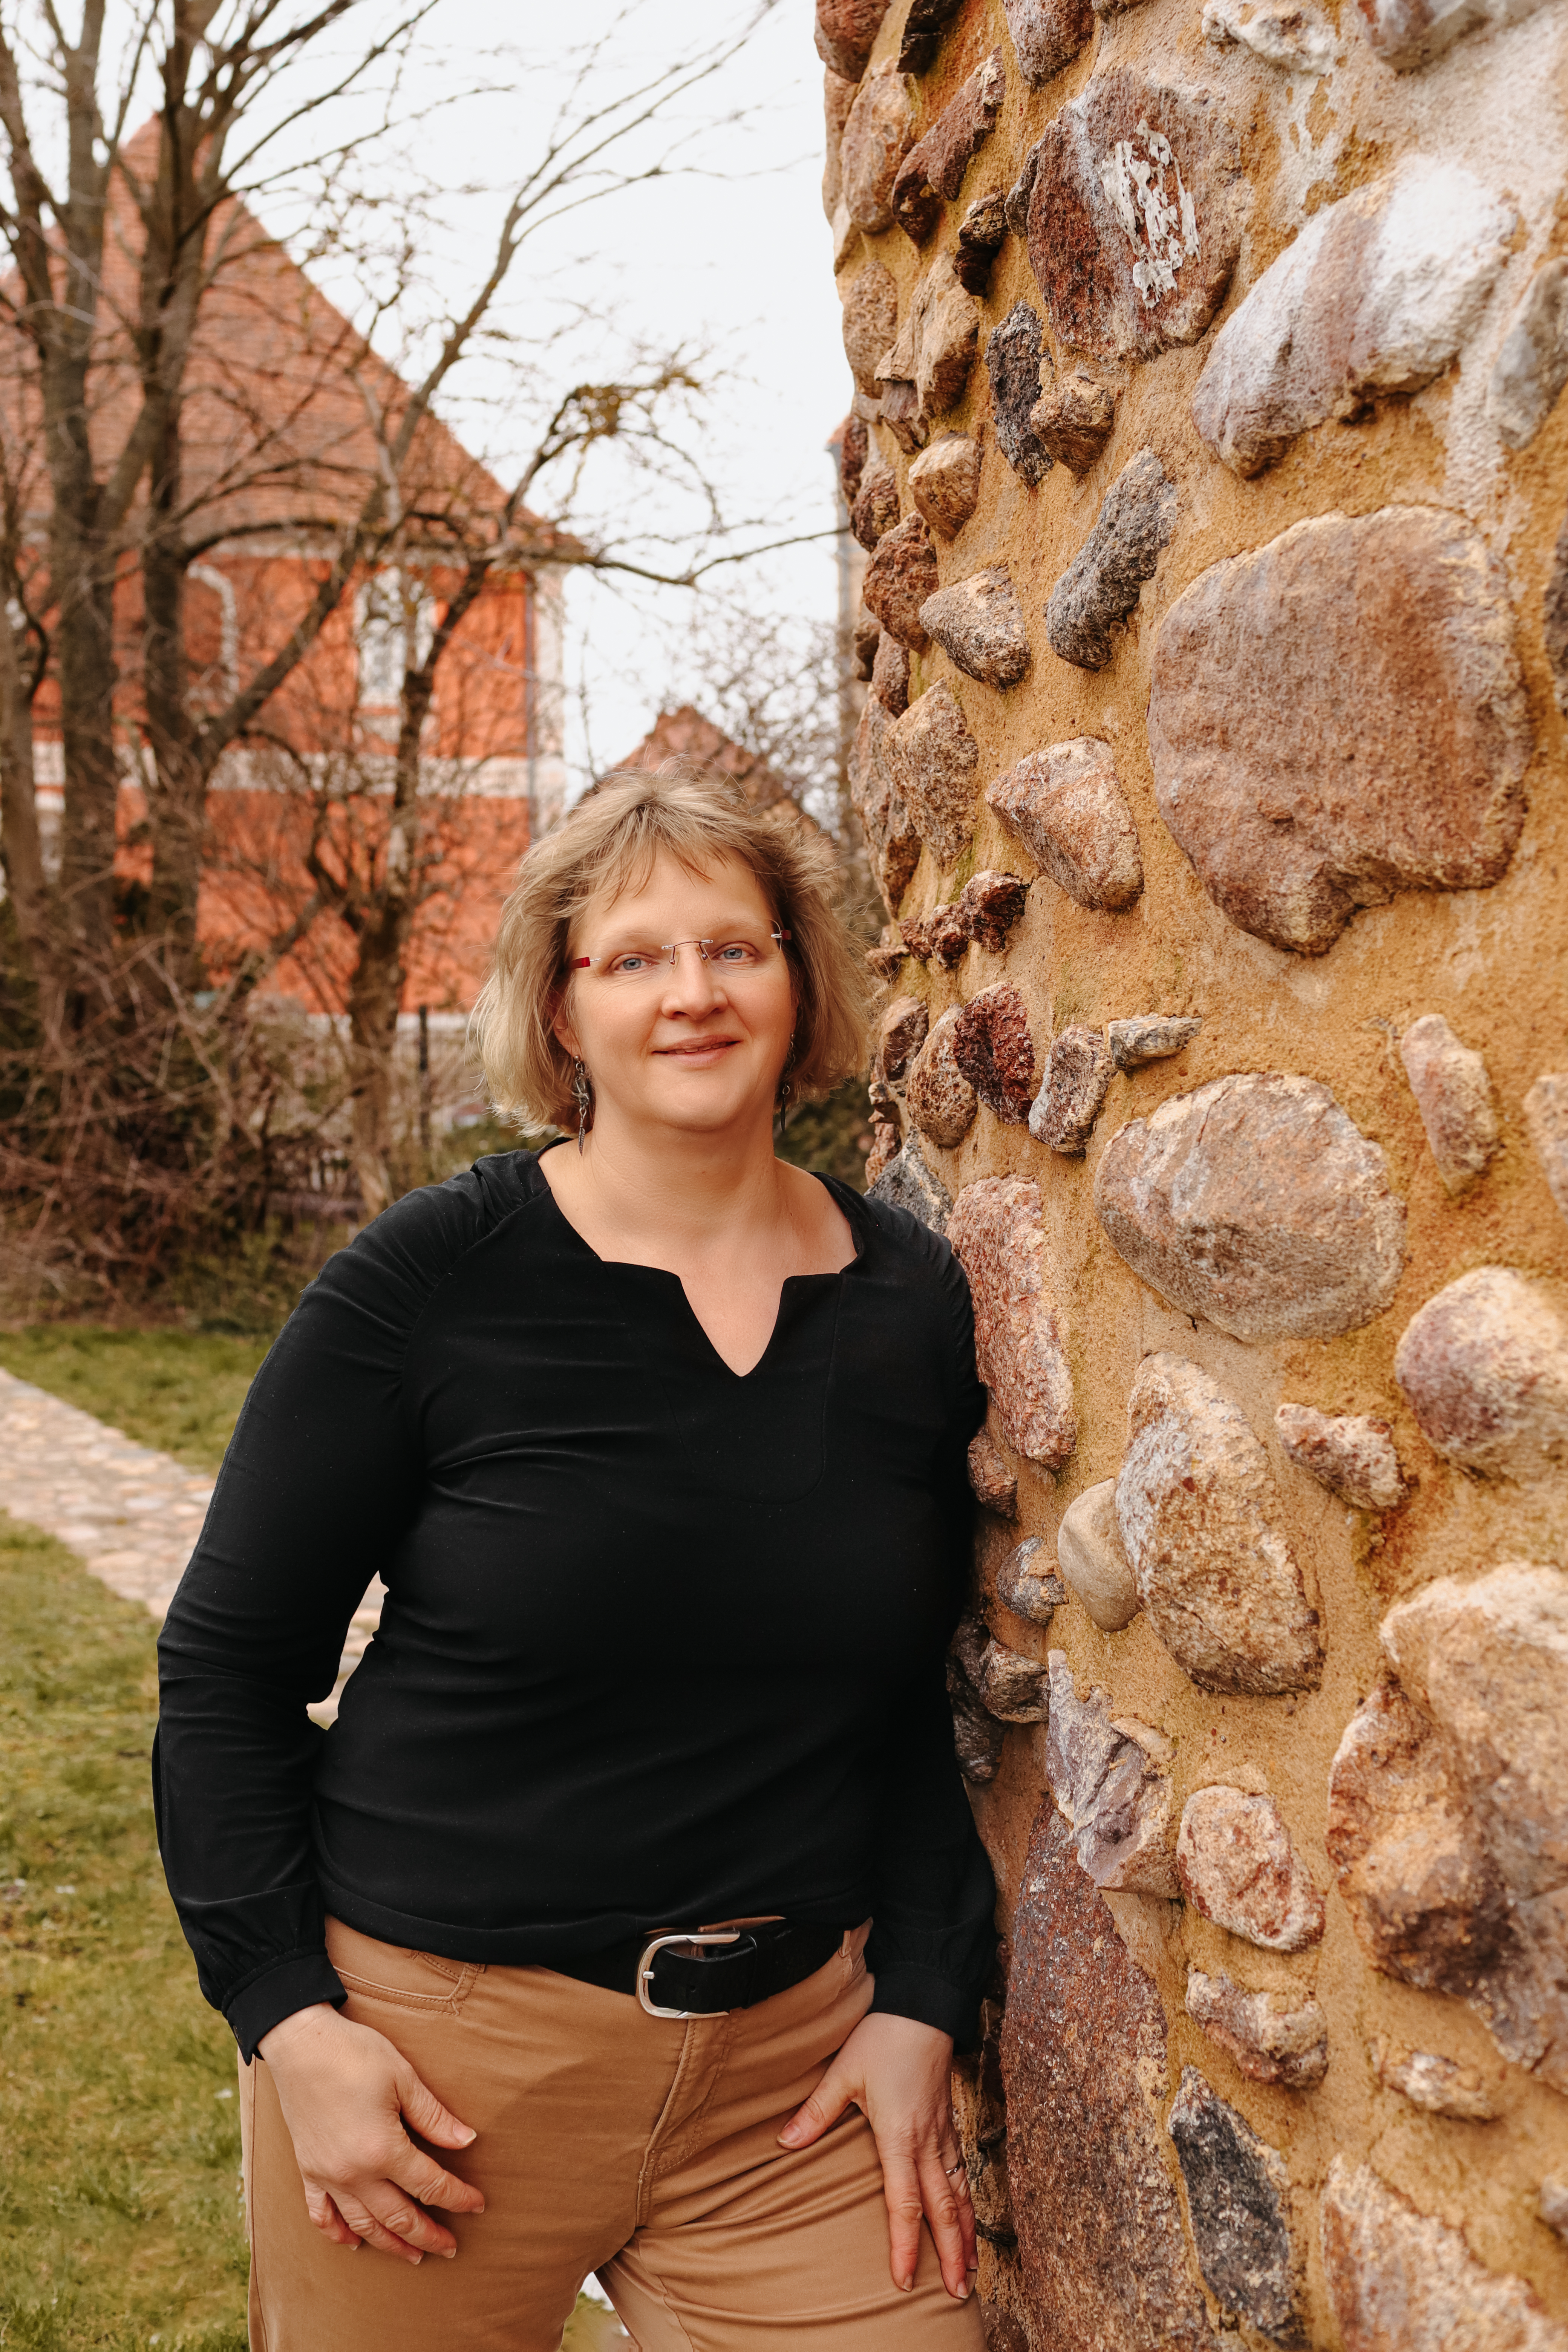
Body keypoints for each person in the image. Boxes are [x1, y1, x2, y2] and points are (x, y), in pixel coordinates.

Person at [155, 766, 996, 2351]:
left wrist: (921, 1996)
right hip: (439, 2078)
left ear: (799, 978)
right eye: (633, 959)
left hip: (793, 2089)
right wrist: (287, 2021)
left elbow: (901, 1691)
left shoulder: (910, 1304)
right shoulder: (427, 1285)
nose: (692, 995)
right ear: (561, 1012)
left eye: (735, 949)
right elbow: (227, 1672)